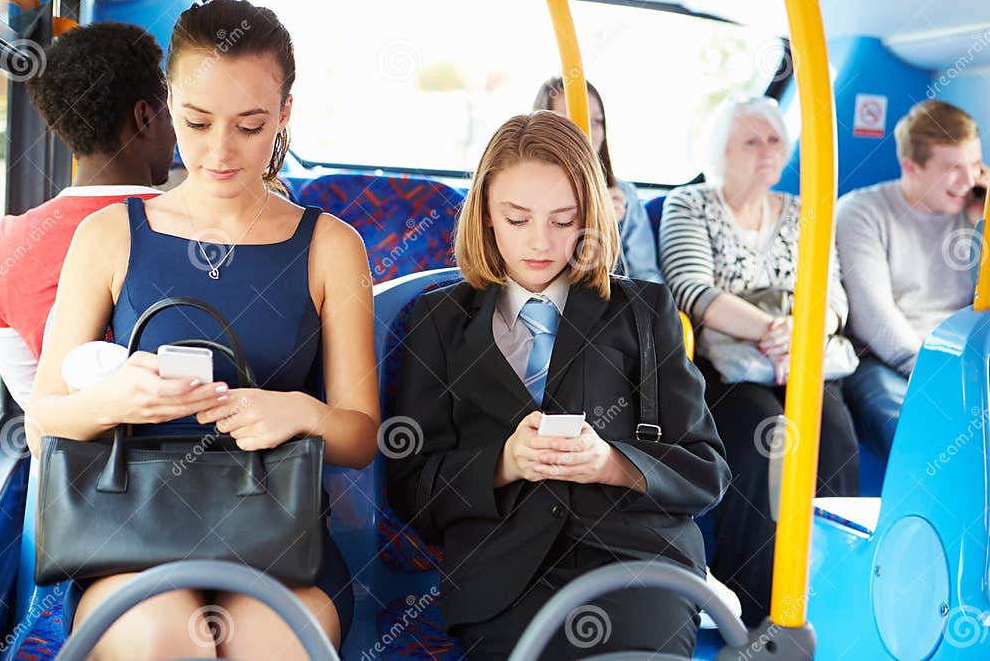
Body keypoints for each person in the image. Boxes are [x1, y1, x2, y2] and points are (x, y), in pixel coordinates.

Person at [25, 1, 379, 658]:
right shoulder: (107, 236)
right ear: (166, 103)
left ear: (285, 115)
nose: (219, 152)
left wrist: (295, 411)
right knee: (161, 637)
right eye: (195, 122)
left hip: (279, 532)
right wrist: (113, 402)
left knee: (267, 639)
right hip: (130, 530)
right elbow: (46, 420)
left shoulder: (332, 245)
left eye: (249, 126)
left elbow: (359, 435)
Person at [386, 110, 729, 659]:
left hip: (634, 563)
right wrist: (505, 463)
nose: (540, 243)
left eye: (564, 220)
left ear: (590, 218)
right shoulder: (437, 323)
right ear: (486, 218)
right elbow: (412, 490)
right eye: (517, 219)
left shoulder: (643, 311)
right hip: (500, 578)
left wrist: (610, 463)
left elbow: (706, 472)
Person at [660, 96, 859, 626]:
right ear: (721, 150)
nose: (767, 152)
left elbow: (832, 296)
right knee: (763, 438)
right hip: (726, 365)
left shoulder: (801, 210)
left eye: (774, 140)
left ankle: (827, 597)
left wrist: (799, 334)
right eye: (752, 141)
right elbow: (690, 290)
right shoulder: (690, 205)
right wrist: (774, 330)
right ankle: (747, 608)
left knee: (833, 437)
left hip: (801, 353)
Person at [0, 21, 175, 408]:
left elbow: (37, 407)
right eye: (169, 111)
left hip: (73, 464)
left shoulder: (7, 244)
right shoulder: (207, 228)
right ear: (144, 116)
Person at [837, 99, 988, 460]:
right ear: (910, 166)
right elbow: (876, 319)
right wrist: (945, 376)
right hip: (888, 360)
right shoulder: (862, 212)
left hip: (966, 354)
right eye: (953, 168)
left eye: (975, 166)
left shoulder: (976, 210)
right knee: (916, 430)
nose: (968, 181)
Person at [533, 77, 662, 282]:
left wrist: (608, 228)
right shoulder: (525, 194)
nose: (586, 132)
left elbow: (646, 280)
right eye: (571, 119)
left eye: (595, 122)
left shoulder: (623, 195)